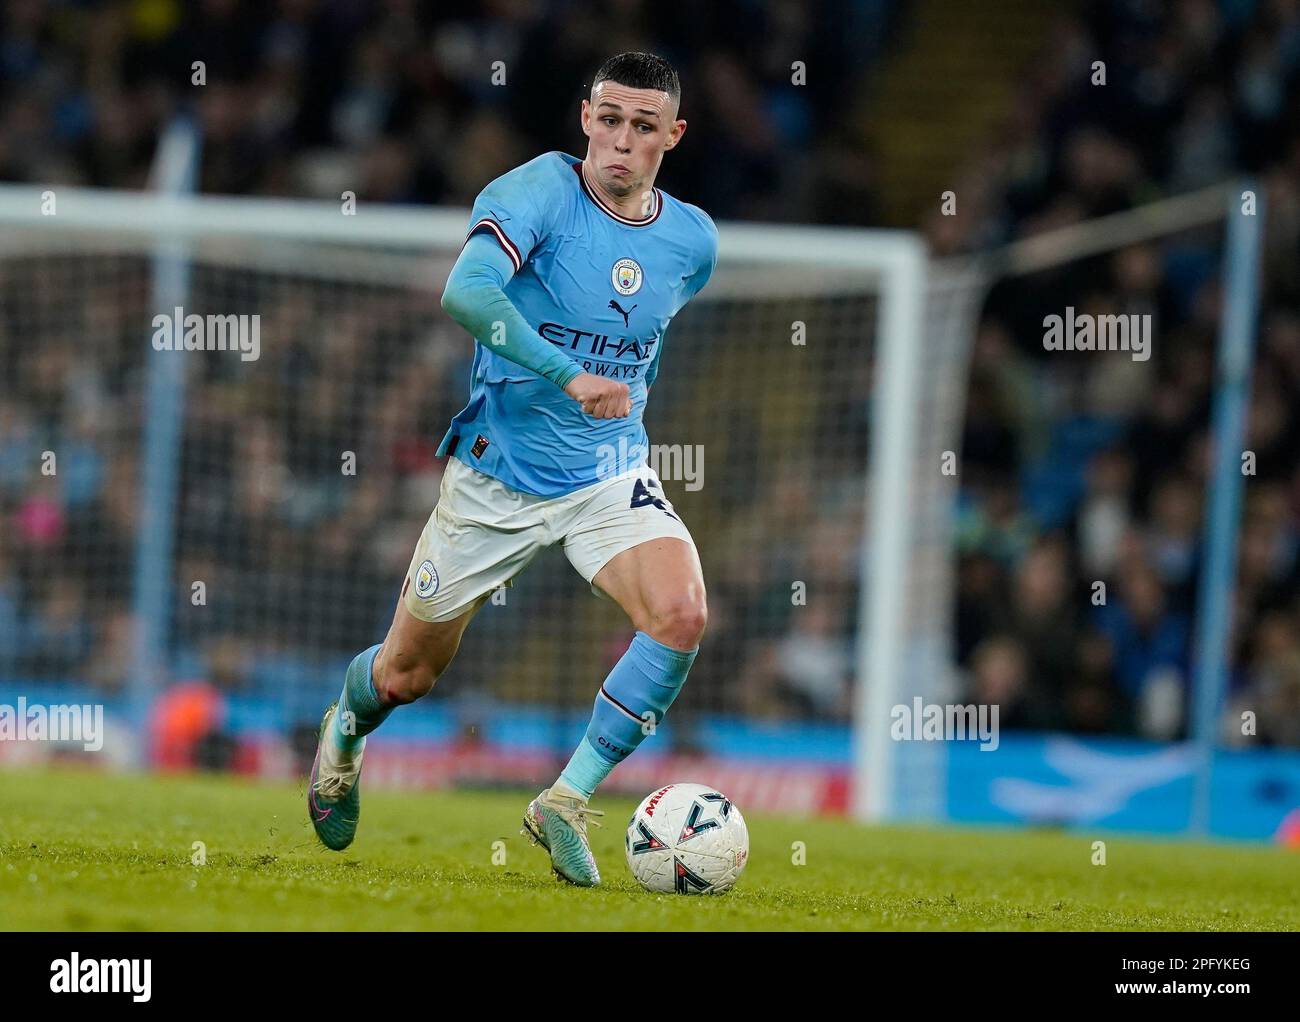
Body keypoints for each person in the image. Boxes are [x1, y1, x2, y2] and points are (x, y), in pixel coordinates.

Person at [308, 52, 718, 886]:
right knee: (406, 675)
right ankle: (343, 735)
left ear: (672, 136)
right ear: (585, 119)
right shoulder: (536, 191)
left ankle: (564, 801)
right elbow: (467, 292)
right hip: (497, 476)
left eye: (643, 127)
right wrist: (568, 375)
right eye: (610, 119)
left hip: (608, 472)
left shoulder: (692, 242)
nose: (621, 141)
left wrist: (610, 401)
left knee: (679, 615)